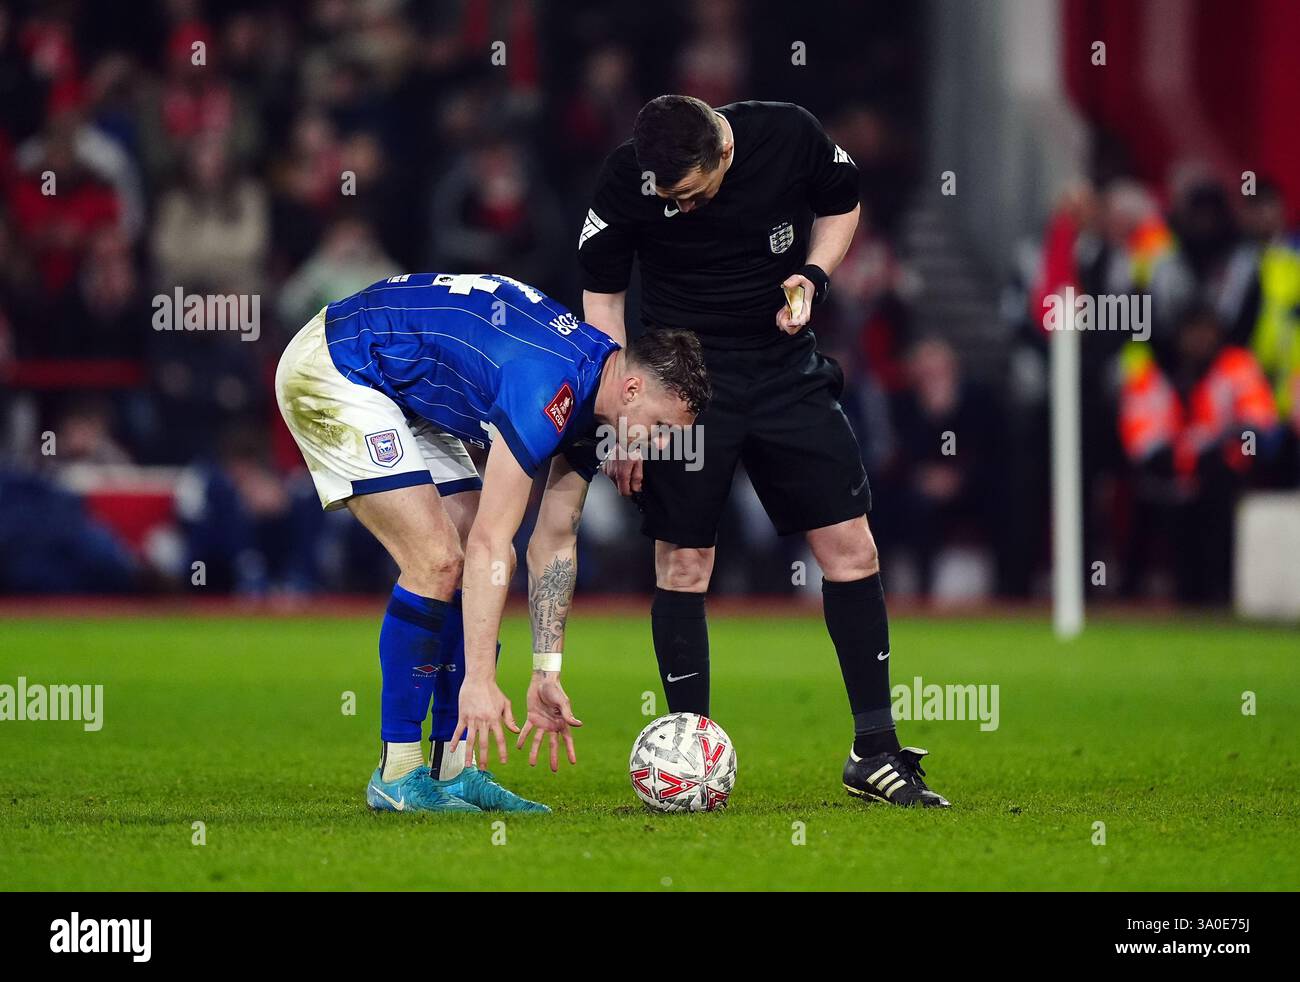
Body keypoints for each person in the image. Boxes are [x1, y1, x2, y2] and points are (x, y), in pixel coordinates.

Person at [577, 94, 949, 807]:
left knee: (852, 549)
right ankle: (691, 753)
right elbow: (602, 300)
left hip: (782, 368)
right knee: (684, 563)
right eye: (667, 197)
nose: (677, 208)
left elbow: (843, 203)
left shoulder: (787, 132)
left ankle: (874, 750)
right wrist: (625, 411)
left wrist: (813, 275)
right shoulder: (629, 177)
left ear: (725, 153)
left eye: (688, 194)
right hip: (679, 381)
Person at [275, 272, 709, 813]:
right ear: (634, 389)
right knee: (438, 561)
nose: (663, 445)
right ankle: (397, 770)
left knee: (463, 554)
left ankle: (453, 767)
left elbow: (552, 543)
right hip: (340, 365)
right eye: (663, 427)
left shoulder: (594, 394)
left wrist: (545, 671)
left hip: (402, 387)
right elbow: (491, 546)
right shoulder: (548, 386)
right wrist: (480, 681)